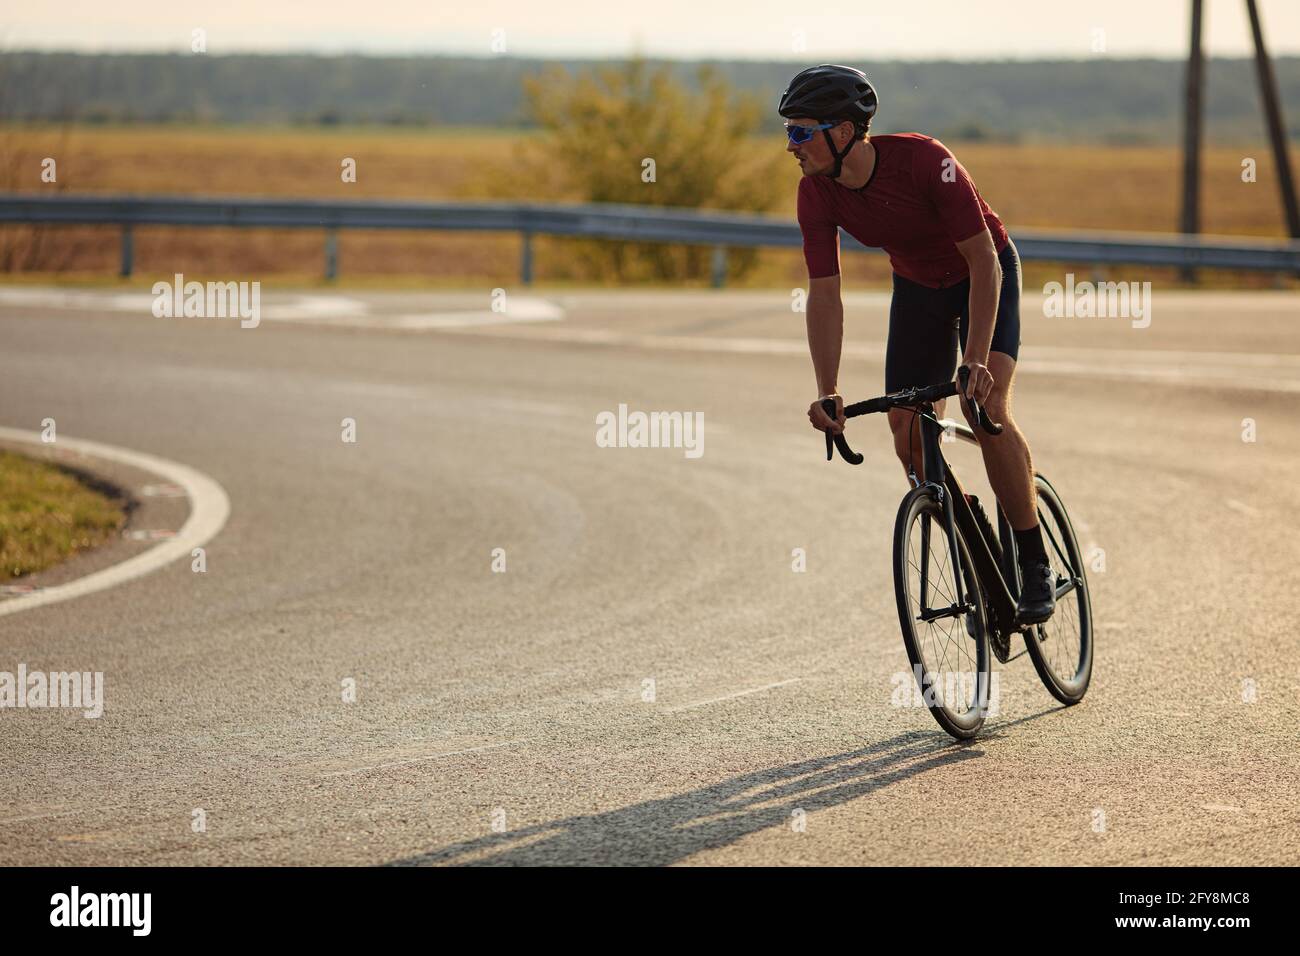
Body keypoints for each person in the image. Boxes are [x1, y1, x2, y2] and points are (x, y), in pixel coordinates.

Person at [781, 63, 1055, 624]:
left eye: (801, 131)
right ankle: (973, 532)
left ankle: (1032, 561)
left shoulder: (927, 162)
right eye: (788, 131)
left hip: (984, 272)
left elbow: (982, 259)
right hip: (918, 286)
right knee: (907, 434)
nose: (791, 145)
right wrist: (827, 389)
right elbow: (825, 294)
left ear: (843, 131)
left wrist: (974, 359)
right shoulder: (816, 193)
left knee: (987, 410)